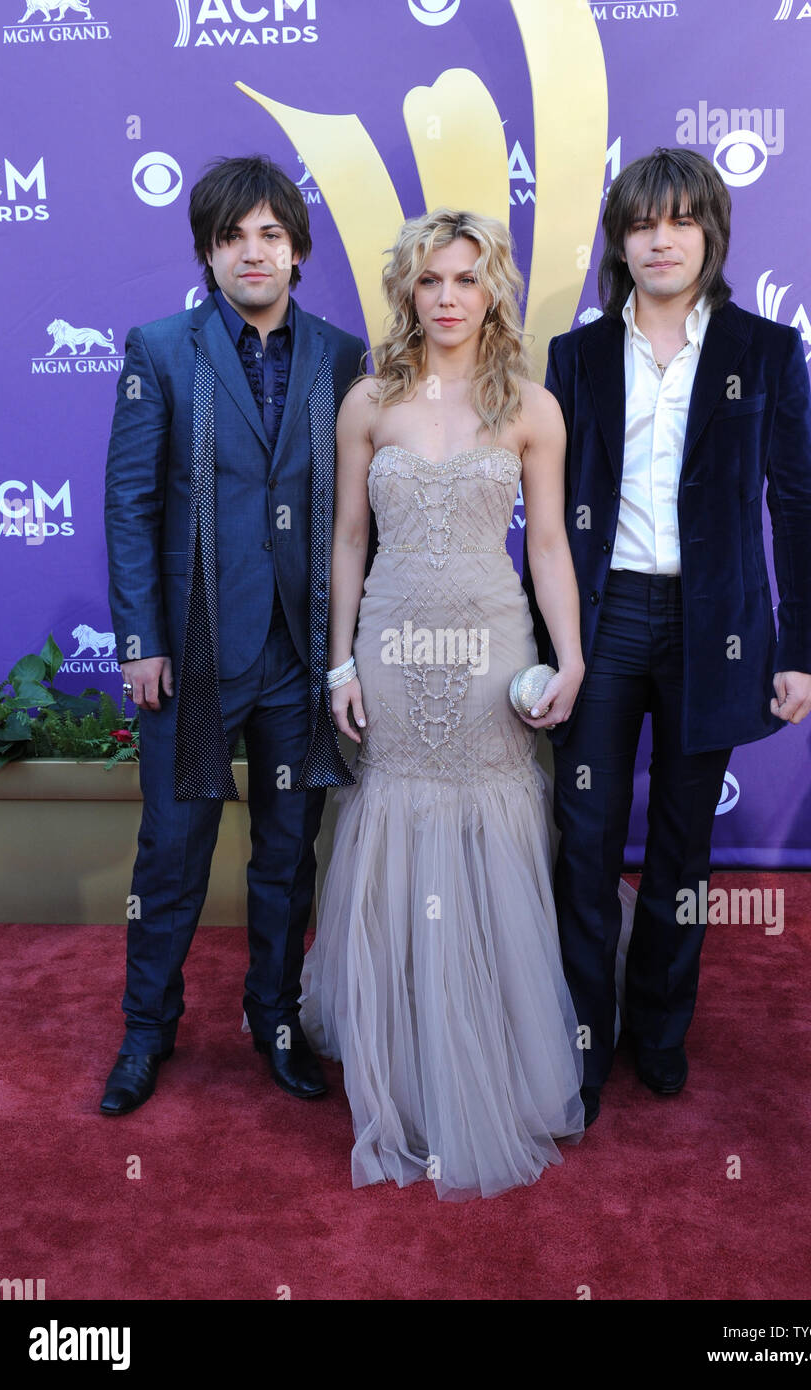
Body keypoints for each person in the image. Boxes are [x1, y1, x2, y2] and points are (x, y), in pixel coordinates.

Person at [524, 148, 811, 1123]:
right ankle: (582, 1041)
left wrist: (798, 648)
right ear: (618, 240)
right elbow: (543, 513)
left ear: (709, 234)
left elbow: (795, 504)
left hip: (716, 633)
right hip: (604, 621)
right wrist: (544, 640)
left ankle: (658, 1031)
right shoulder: (573, 357)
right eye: (641, 223)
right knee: (582, 842)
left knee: (682, 854)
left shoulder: (763, 350)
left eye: (680, 221)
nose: (660, 239)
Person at [299, 209, 587, 1200]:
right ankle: (407, 1058)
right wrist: (338, 664)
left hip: (486, 647)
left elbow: (547, 546)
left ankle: (489, 1058)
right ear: (407, 290)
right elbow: (345, 538)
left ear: (491, 287)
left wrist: (572, 656)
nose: (450, 297)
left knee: (482, 826)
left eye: (467, 279)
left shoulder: (530, 407)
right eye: (432, 280)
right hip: (390, 639)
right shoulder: (367, 400)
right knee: (395, 820)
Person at [100, 154, 365, 1116]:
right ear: (208, 254)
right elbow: (130, 503)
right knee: (171, 855)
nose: (252, 253)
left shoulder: (340, 357)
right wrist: (141, 638)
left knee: (288, 855)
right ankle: (146, 1031)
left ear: (297, 250)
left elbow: (354, 513)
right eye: (231, 237)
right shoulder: (163, 349)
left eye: (270, 234)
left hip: (302, 657)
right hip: (197, 652)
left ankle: (276, 1023)